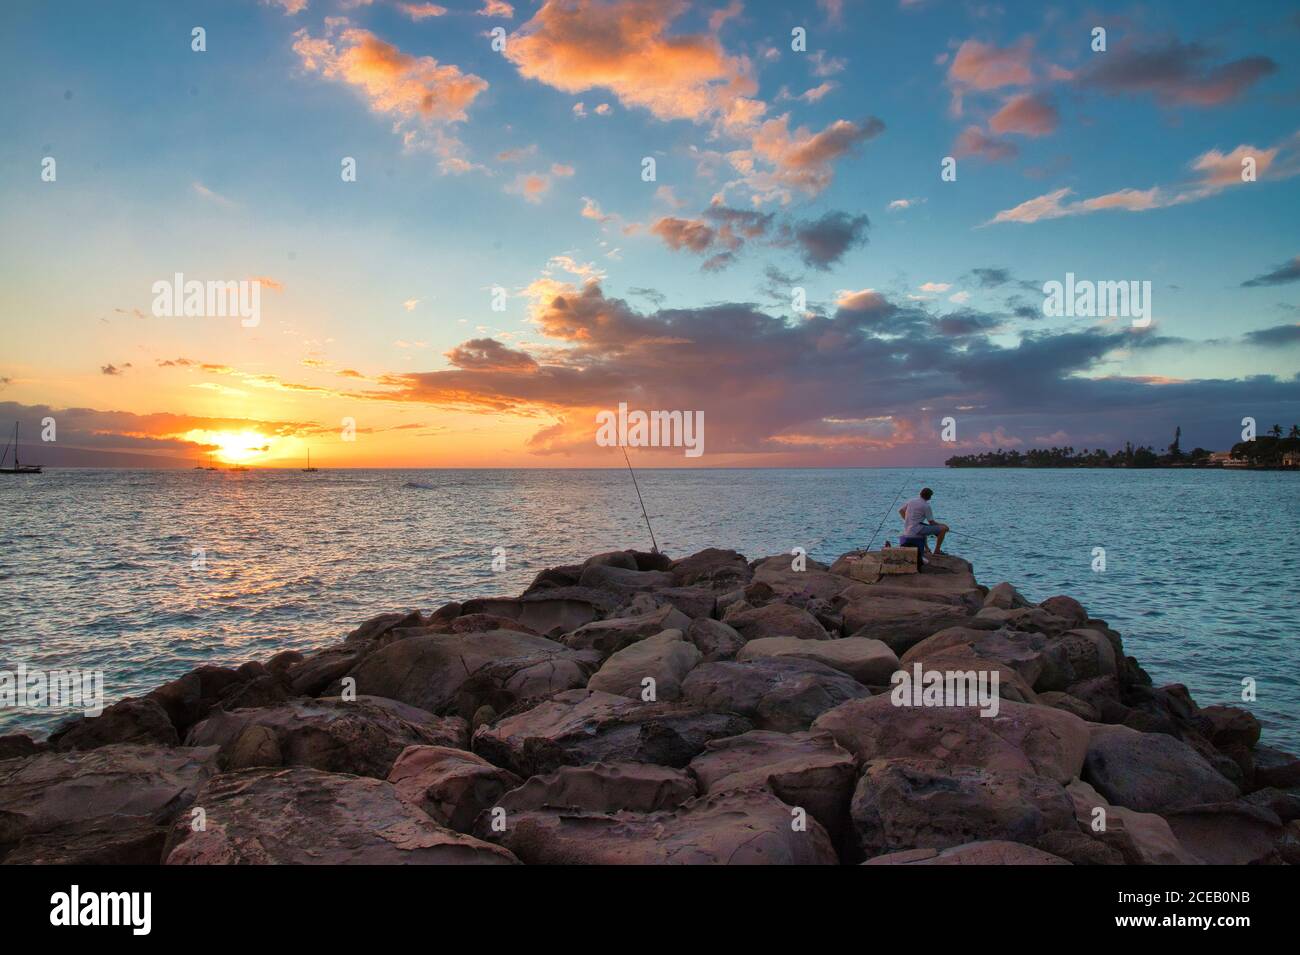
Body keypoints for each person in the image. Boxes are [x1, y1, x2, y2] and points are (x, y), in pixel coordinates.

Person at [899, 487, 948, 555]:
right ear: (929, 497)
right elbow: (931, 522)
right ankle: (937, 550)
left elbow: (901, 511)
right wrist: (943, 525)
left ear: (920, 494)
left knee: (922, 526)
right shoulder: (926, 506)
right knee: (943, 529)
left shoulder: (911, 501)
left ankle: (927, 549)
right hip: (916, 529)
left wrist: (908, 521)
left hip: (908, 529)